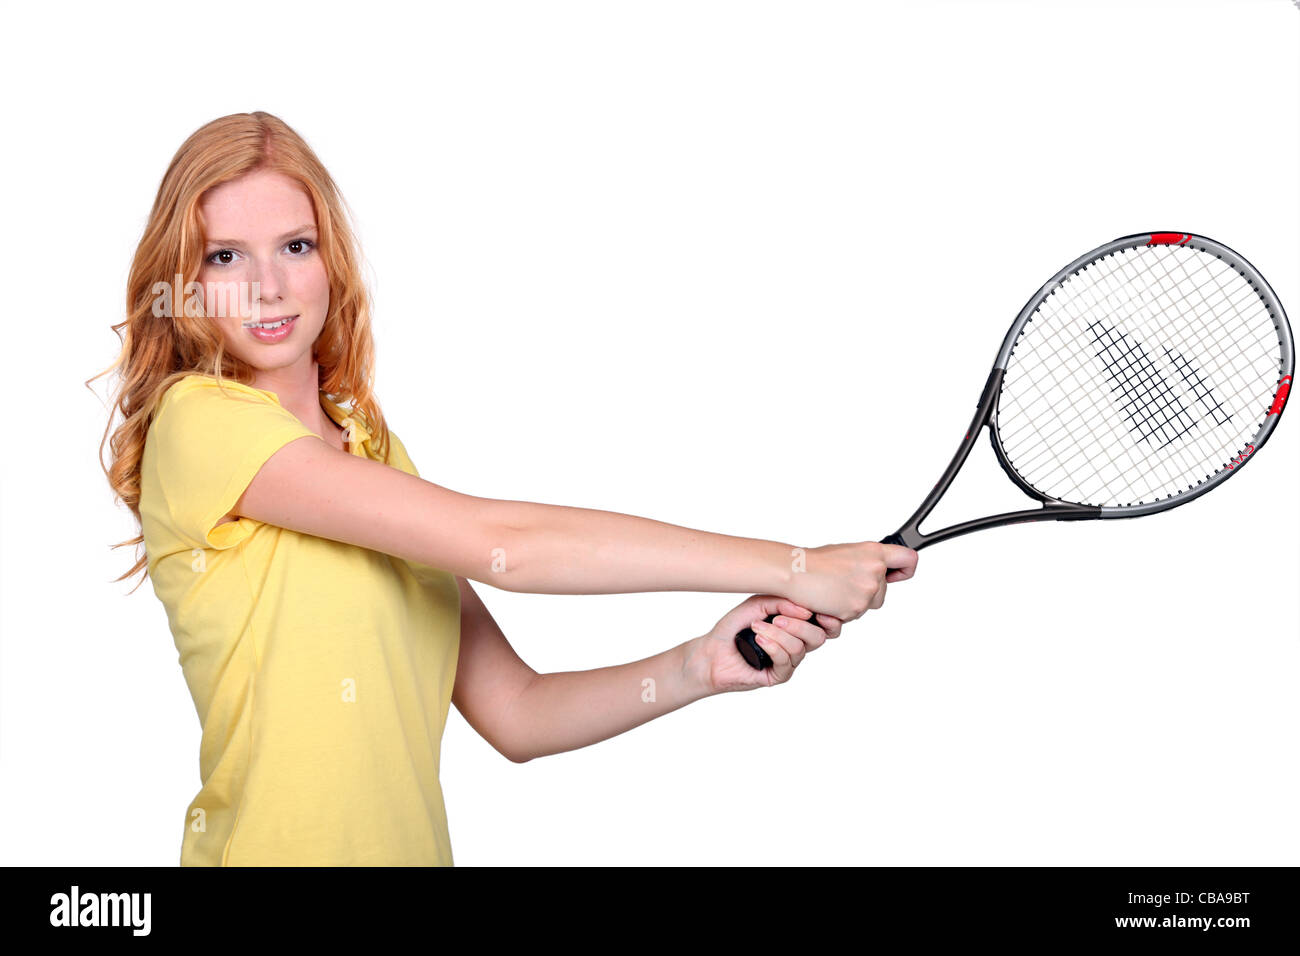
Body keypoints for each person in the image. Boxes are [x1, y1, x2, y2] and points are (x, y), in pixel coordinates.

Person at [91, 111, 918, 866]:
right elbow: (509, 549)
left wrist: (698, 665)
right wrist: (792, 563)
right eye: (225, 255)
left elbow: (517, 713)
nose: (267, 286)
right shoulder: (200, 425)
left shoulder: (373, 454)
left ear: (330, 262)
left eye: (296, 247)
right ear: (187, 279)